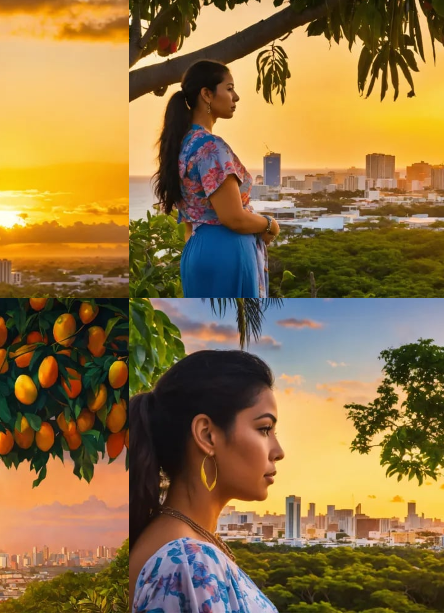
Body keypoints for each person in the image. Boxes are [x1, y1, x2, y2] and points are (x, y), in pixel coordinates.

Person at [128, 350, 284, 612]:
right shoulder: (188, 564)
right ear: (207, 436)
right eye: (264, 429)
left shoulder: (182, 546)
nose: (278, 451)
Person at [153, 60, 280, 298]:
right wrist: (270, 224)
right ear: (207, 94)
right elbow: (234, 218)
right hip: (227, 251)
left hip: (196, 251)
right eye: (230, 88)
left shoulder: (181, 145)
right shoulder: (211, 147)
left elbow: (190, 224)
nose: (236, 97)